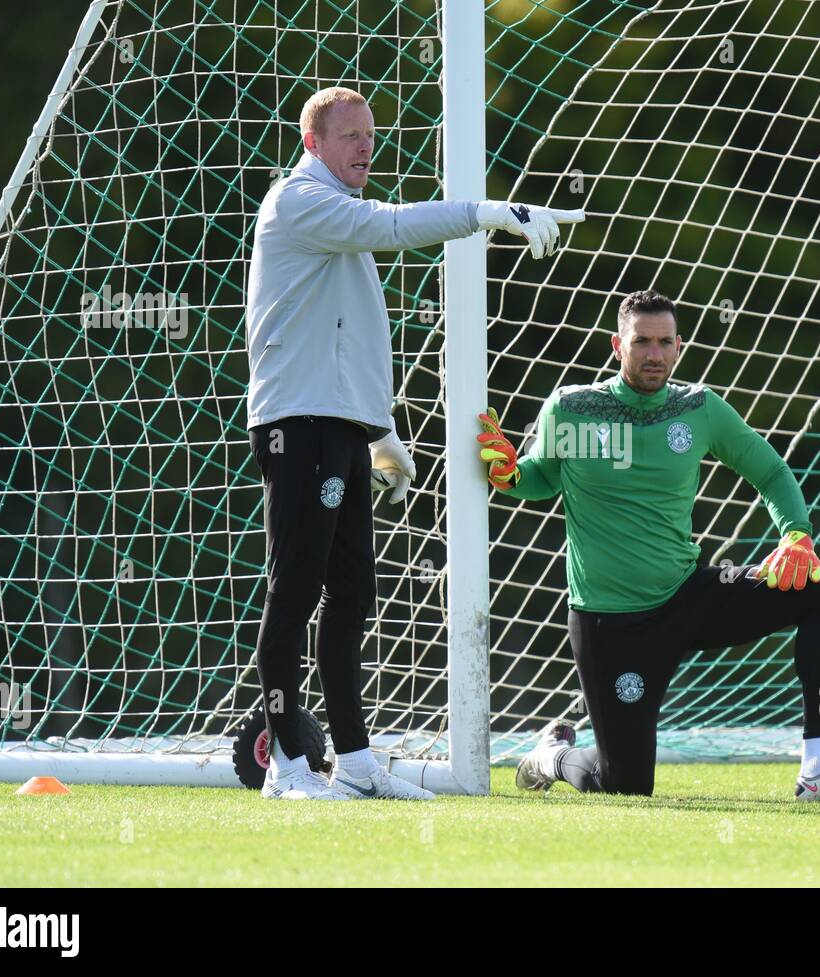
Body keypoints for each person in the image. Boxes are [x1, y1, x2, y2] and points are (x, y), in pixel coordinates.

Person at [246, 86, 582, 800]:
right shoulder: (300, 202)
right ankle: (287, 767)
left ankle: (358, 763)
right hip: (295, 422)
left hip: (336, 424)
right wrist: (486, 213)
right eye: (349, 136)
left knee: (354, 592)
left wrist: (382, 429)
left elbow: (354, 333)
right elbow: (396, 225)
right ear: (313, 143)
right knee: (296, 588)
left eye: (371, 134)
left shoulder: (338, 226)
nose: (367, 146)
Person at [477, 290, 820, 802]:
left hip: (685, 595)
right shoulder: (572, 408)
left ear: (679, 347)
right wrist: (509, 472)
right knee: (625, 786)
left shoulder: (699, 408)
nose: (654, 354)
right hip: (610, 623)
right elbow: (542, 477)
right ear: (617, 346)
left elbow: (770, 470)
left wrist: (796, 535)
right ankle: (554, 756)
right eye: (641, 342)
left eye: (664, 342)